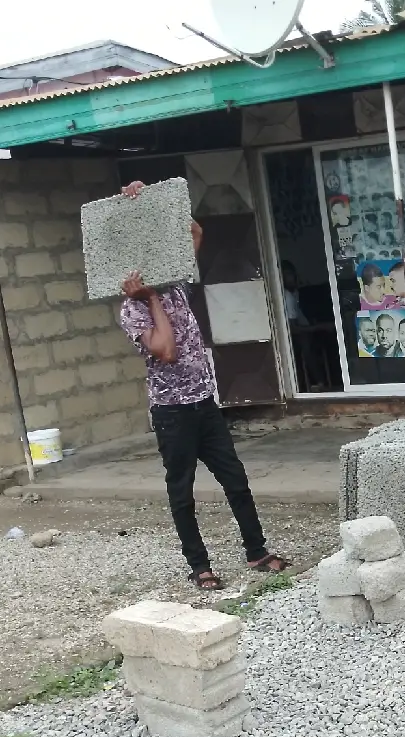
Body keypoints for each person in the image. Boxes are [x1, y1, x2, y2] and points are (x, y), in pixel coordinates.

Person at [118, 181, 289, 590]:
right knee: (182, 491)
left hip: (204, 403)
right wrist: (152, 299)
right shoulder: (131, 310)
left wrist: (153, 202)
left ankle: (256, 551)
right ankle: (199, 566)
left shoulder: (176, 284)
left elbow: (195, 232)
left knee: (235, 478)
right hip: (172, 413)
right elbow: (167, 351)